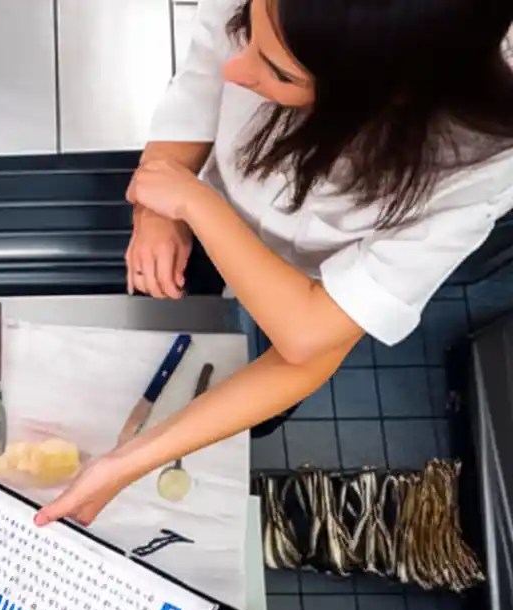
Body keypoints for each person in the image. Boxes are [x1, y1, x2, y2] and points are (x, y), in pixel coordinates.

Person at [38, 0, 513, 526]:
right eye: (247, 27)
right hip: (212, 212)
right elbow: (204, 72)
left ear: (382, 99)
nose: (237, 72)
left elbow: (308, 343)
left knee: (257, 397)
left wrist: (192, 201)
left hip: (304, 283)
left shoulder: (477, 170)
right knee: (178, 308)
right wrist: (160, 202)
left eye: (280, 73)